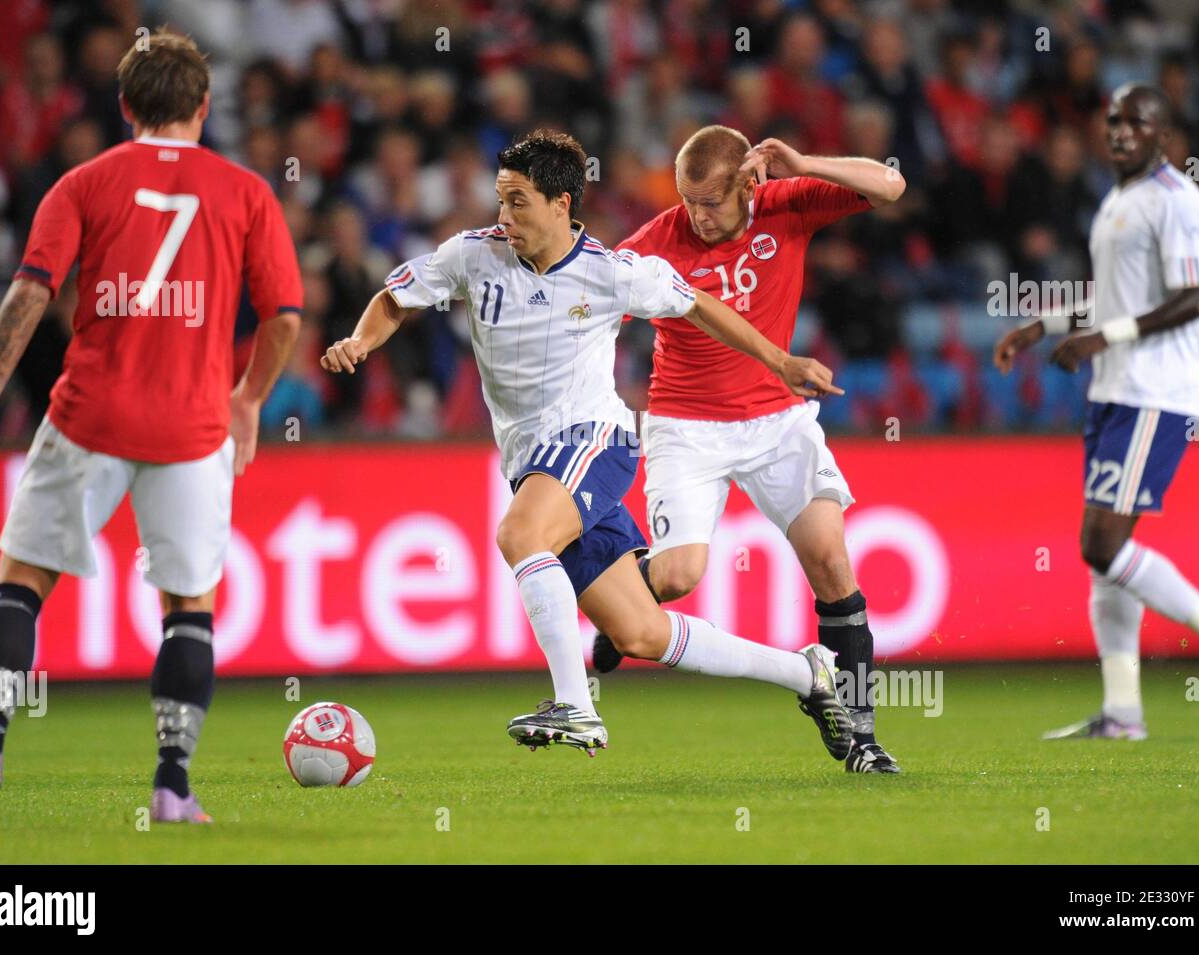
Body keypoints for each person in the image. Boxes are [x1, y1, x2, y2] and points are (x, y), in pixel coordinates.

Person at [321, 130, 853, 759]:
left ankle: (576, 706)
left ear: (561, 203)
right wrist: (360, 341)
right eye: (501, 200)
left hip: (593, 440)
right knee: (640, 633)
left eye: (519, 202)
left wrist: (777, 360)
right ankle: (807, 674)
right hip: (531, 462)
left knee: (519, 536)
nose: (504, 217)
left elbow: (702, 307)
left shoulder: (611, 272)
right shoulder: (471, 255)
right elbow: (394, 297)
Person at [0, 31, 303, 824]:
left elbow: (30, 292)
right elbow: (284, 314)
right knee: (188, 606)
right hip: (192, 426)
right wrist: (247, 399)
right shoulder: (245, 191)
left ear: (125, 106)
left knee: (20, 584)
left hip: (88, 417)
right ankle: (172, 785)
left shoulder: (84, 181)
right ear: (204, 108)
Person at [592, 125, 907, 773]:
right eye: (687, 200)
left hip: (779, 422)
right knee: (678, 575)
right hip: (686, 425)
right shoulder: (656, 243)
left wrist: (801, 158)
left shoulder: (785, 203)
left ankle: (861, 738)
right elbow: (592, 307)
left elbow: (891, 185)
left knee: (832, 563)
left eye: (710, 201)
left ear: (746, 182)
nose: (697, 216)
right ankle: (622, 597)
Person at [993, 84, 1199, 739]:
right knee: (1107, 549)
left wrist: (1106, 338)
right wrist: (1041, 326)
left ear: (1165, 134)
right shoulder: (1118, 200)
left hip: (1154, 393)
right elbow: (1111, 301)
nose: (1121, 131)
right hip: (1114, 390)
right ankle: (1123, 711)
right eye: (1113, 121)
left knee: (1100, 543)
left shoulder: (1179, 201)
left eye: (1137, 121)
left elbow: (1197, 294)